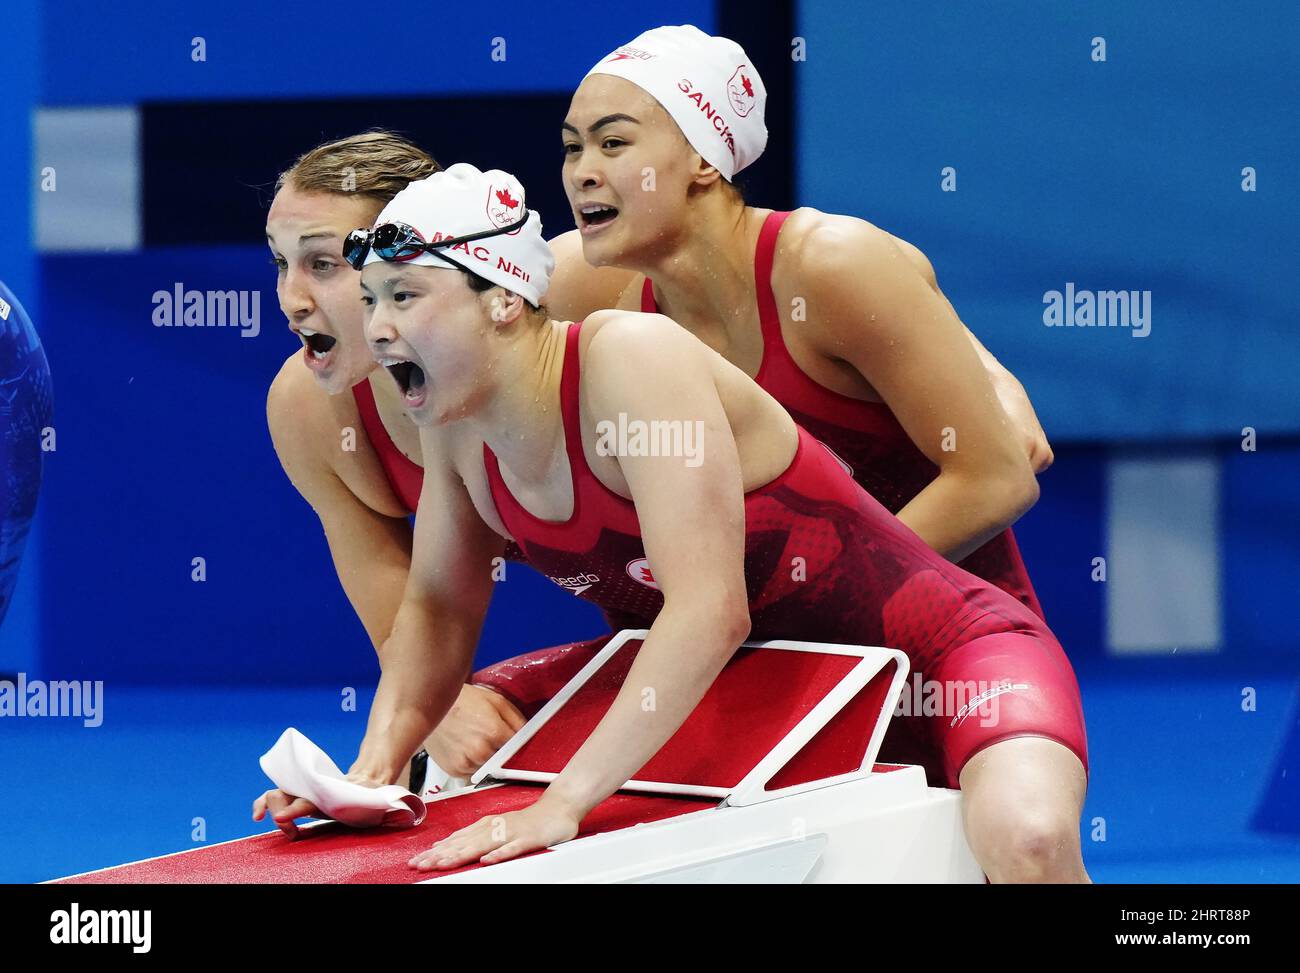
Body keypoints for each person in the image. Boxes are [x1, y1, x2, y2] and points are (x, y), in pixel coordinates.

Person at [257, 164, 1090, 881]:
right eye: (371, 299)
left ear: (504, 301)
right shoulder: (455, 428)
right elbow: (436, 611)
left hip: (936, 655)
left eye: (404, 295)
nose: (380, 327)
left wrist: (566, 801)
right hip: (753, 680)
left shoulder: (632, 359)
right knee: (478, 724)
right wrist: (372, 775)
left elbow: (708, 610)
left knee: (1030, 838)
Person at [464, 25, 1061, 785]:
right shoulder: (585, 283)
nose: (581, 172)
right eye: (572, 147)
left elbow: (1001, 473)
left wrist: (805, 604)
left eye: (613, 144)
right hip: (739, 654)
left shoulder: (832, 267)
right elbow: (441, 328)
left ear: (708, 159)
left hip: (926, 645)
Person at [263, 131, 634, 796]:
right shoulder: (311, 412)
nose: (291, 298)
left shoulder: (583, 293)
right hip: (659, 632)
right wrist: (379, 772)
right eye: (280, 263)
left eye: (322, 264)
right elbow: (415, 623)